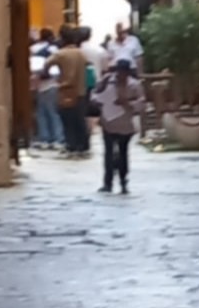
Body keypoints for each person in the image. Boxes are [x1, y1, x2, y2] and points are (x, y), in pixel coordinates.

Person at [94, 59, 148, 194]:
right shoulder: (107, 81)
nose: (120, 76)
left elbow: (141, 104)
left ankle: (123, 181)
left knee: (123, 154)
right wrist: (101, 100)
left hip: (125, 124)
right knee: (108, 153)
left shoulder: (134, 85)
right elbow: (95, 95)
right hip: (108, 122)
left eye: (123, 73)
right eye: (119, 72)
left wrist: (127, 103)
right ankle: (107, 183)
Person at [52, 28, 91, 158]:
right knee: (80, 119)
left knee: (67, 120)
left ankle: (71, 145)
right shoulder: (81, 53)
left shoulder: (60, 54)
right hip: (80, 91)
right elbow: (88, 64)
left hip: (66, 91)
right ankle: (83, 145)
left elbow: (46, 65)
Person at [31, 28, 63, 149]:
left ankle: (45, 138)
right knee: (53, 113)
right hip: (52, 84)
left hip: (39, 86)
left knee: (41, 113)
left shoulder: (33, 50)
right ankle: (58, 138)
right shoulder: (53, 49)